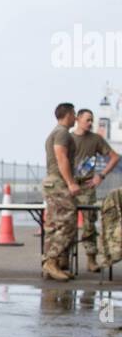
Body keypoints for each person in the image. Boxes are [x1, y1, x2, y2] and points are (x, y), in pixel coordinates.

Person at [72, 108, 119, 272]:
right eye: (87, 120)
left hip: (87, 186)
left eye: (92, 120)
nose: (90, 123)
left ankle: (91, 259)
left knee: (89, 224)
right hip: (69, 185)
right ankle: (62, 259)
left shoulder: (95, 139)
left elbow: (114, 157)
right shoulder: (68, 138)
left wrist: (101, 175)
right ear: (78, 119)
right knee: (65, 224)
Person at [42, 103, 81, 282]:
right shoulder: (62, 133)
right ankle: (51, 260)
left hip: (53, 182)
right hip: (58, 183)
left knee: (53, 224)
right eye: (74, 113)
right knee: (68, 222)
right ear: (68, 114)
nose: (76, 118)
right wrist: (71, 183)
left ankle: (51, 264)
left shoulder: (56, 132)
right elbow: (61, 157)